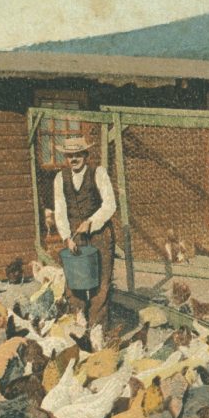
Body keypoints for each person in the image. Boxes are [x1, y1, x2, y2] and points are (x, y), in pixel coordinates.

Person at [52, 136, 117, 327]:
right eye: (69, 155)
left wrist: (91, 222)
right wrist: (66, 237)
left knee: (101, 284)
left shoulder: (98, 173)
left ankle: (97, 329)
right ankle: (78, 326)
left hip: (100, 235)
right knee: (75, 282)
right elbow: (60, 210)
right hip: (75, 235)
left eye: (78, 154)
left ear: (85, 155)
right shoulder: (60, 178)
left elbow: (110, 204)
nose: (74, 159)